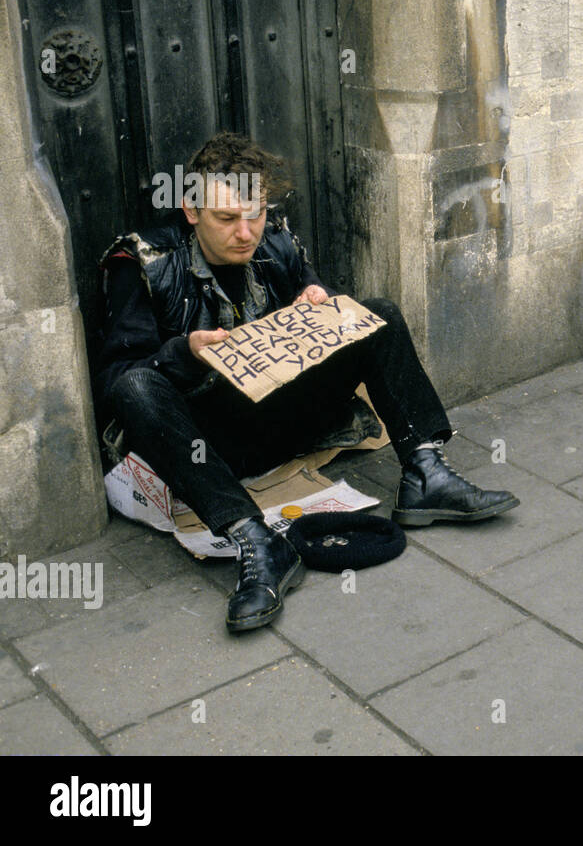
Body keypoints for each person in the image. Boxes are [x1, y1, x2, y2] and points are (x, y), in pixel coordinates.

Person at [96, 132, 518, 633]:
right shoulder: (143, 263)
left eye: (254, 214)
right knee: (137, 388)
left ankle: (425, 472)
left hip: (288, 419)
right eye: (227, 219)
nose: (245, 232)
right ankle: (256, 540)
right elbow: (120, 378)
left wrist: (323, 305)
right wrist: (186, 355)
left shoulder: (275, 240)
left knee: (376, 314)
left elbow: (331, 313)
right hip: (210, 446)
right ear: (191, 210)